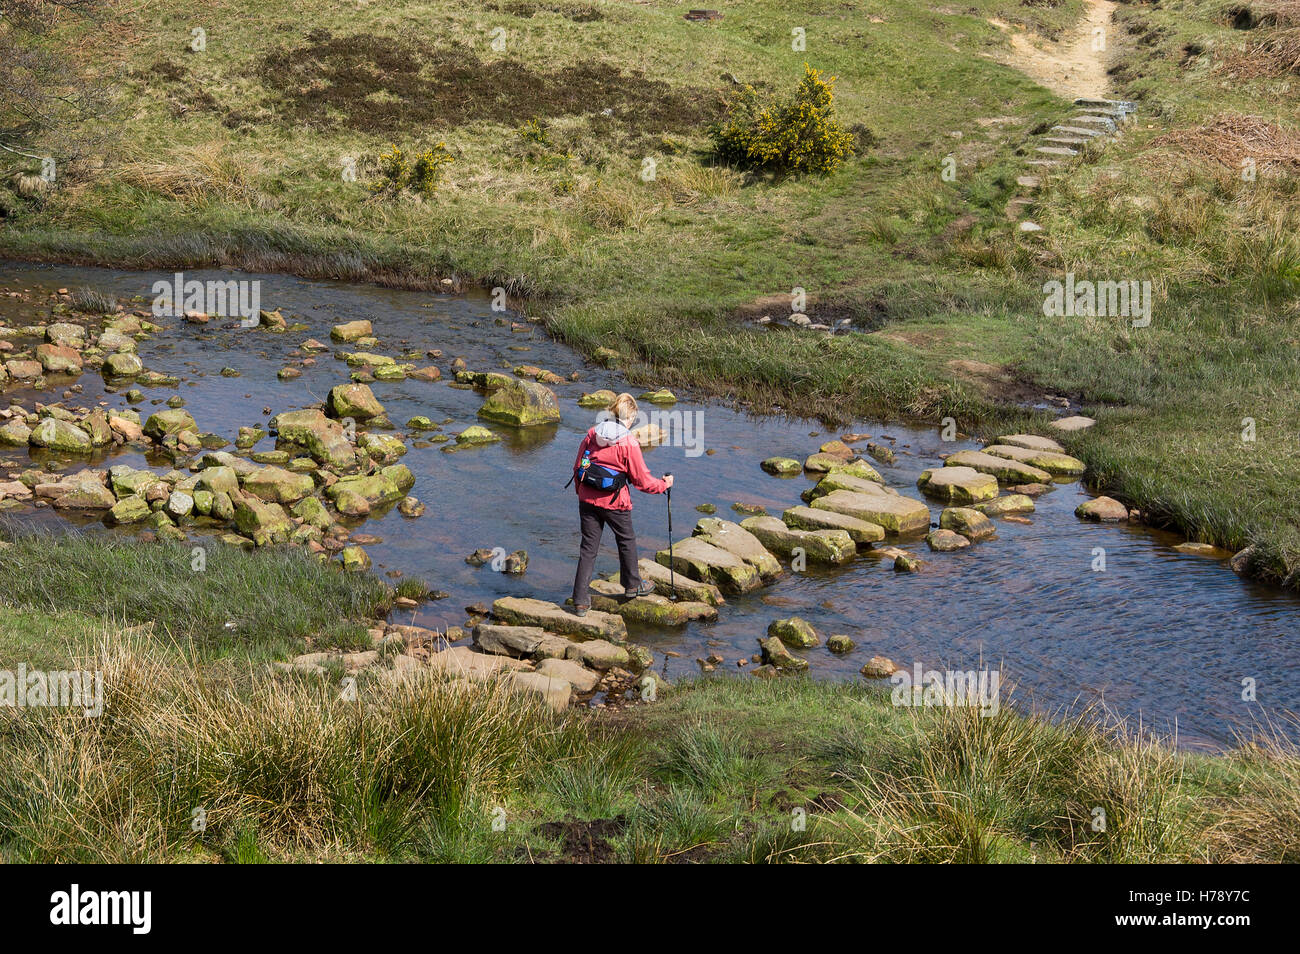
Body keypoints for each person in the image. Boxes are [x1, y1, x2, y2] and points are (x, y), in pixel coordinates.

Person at [569, 392, 673, 616]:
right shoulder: (628, 442)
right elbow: (642, 481)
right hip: (615, 502)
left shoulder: (591, 434)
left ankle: (580, 601)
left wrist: (581, 492)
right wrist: (663, 485)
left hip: (587, 499)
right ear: (630, 416)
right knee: (626, 541)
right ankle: (632, 585)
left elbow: (579, 466)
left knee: (588, 548)